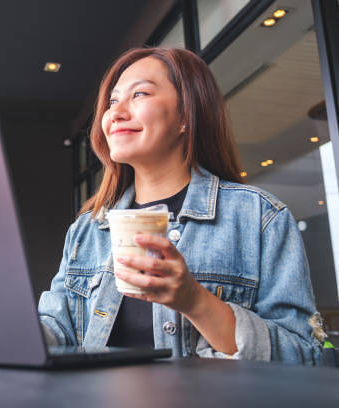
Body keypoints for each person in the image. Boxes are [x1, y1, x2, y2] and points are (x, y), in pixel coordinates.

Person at [38, 47, 323, 364]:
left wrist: (195, 301)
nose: (115, 113)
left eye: (140, 94)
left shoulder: (260, 218)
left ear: (186, 114)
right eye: (113, 101)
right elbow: (56, 328)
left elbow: (305, 355)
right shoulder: (87, 229)